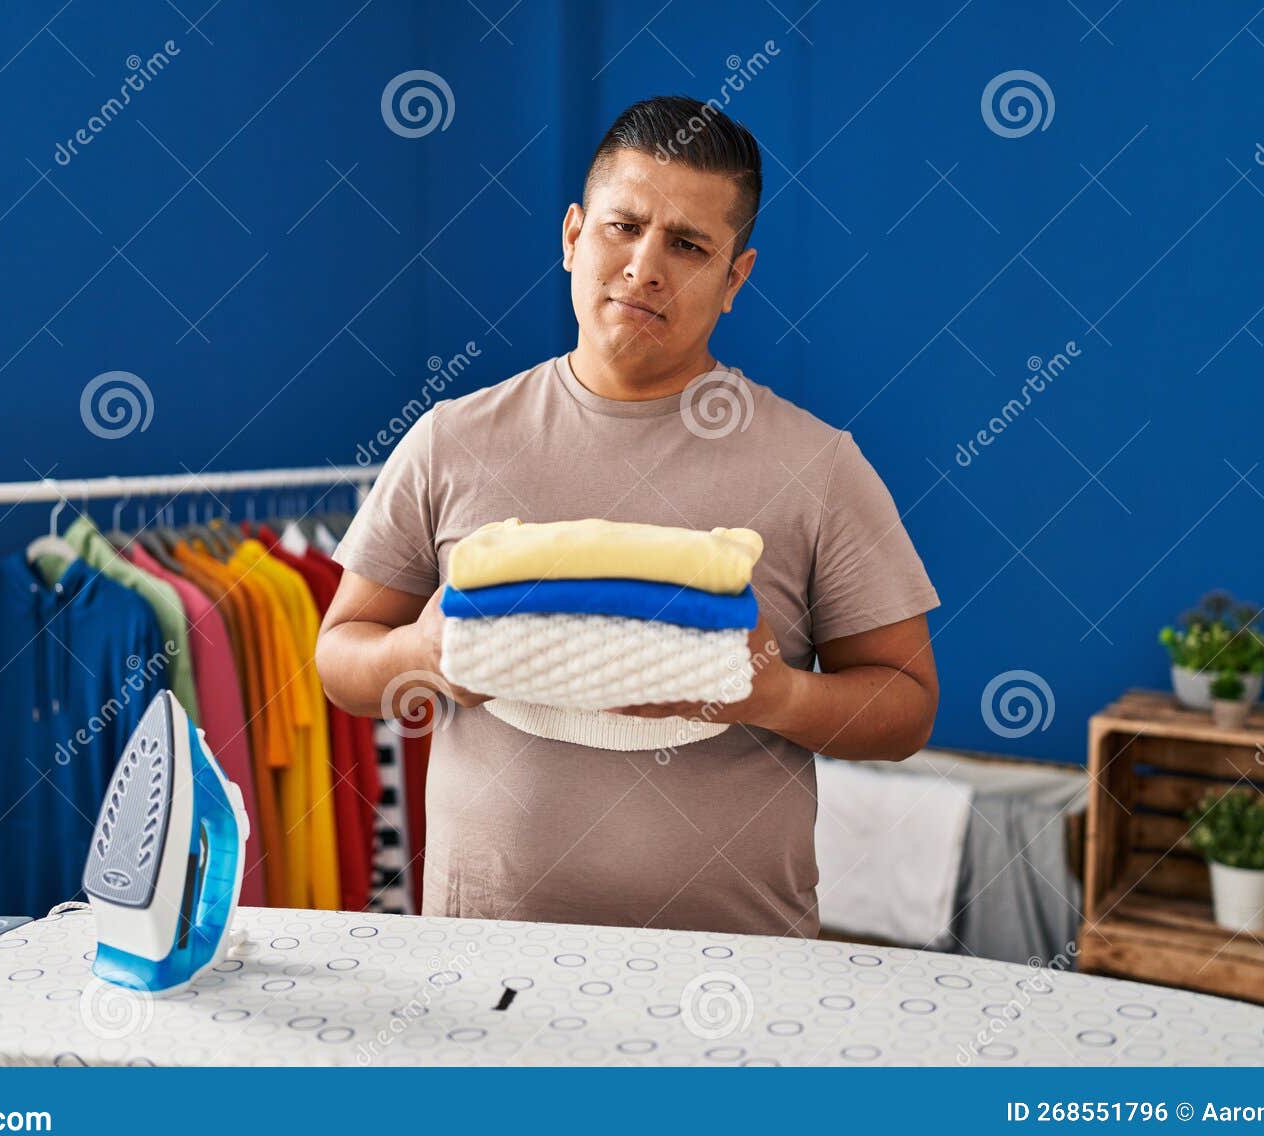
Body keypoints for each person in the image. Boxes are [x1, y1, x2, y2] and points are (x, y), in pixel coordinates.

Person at [316, 95, 940, 937]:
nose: (646, 266)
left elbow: (906, 708)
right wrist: (425, 655)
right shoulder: (451, 440)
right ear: (574, 235)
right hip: (484, 957)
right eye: (624, 226)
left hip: (741, 972)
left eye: (687, 245)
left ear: (734, 279)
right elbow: (339, 657)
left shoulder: (818, 466)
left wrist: (776, 694)